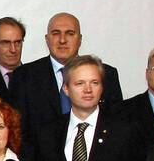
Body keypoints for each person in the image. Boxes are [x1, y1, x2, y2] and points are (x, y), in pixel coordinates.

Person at [10, 12, 123, 151]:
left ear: (80, 39)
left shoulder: (107, 74)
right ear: (47, 39)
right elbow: (18, 132)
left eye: (70, 33)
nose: (62, 40)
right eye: (56, 33)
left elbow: (116, 126)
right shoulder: (24, 76)